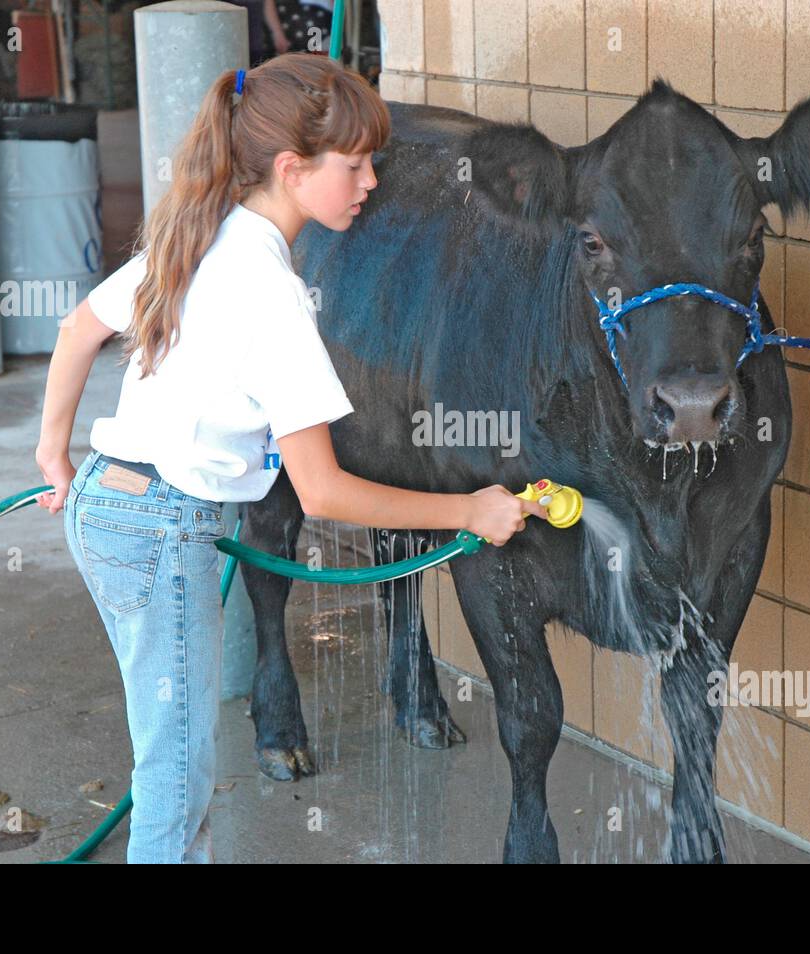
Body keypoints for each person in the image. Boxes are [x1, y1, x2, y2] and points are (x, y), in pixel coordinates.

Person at [33, 53, 545, 864]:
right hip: (163, 531)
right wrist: (469, 511)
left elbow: (76, 330)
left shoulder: (201, 234)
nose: (372, 180)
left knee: (174, 763)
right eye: (355, 164)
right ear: (291, 168)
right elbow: (325, 490)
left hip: (108, 504)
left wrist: (55, 455)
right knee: (176, 777)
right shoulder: (272, 291)